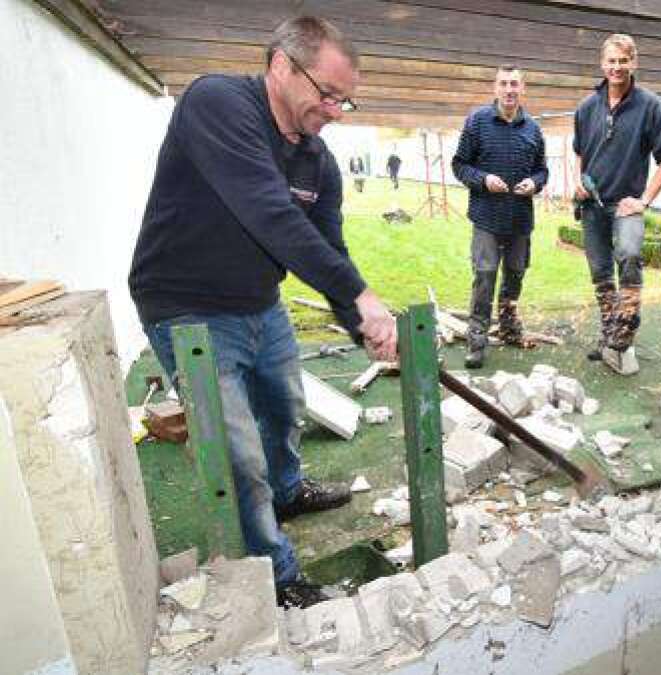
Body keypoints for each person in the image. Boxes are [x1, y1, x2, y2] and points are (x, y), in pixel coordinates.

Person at [128, 16, 398, 608]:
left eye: (343, 99)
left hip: (258, 301)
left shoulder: (319, 163)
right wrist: (360, 294)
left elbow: (326, 245)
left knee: (283, 411)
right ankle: (276, 577)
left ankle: (288, 492)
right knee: (237, 454)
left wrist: (363, 323)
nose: (334, 109)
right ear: (280, 65)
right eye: (326, 93)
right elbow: (270, 215)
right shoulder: (217, 104)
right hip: (185, 309)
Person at [573, 34, 661, 361]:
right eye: (611, 61)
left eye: (623, 61)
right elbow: (580, 151)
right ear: (602, 63)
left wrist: (644, 200)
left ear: (633, 63)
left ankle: (625, 330)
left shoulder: (650, 106)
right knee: (601, 273)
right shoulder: (586, 107)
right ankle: (609, 333)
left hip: (627, 207)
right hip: (592, 206)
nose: (617, 67)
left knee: (631, 259)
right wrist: (579, 182)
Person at [451, 65, 548, 369]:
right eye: (504, 83)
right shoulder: (477, 122)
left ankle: (508, 327)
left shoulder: (533, 128)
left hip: (520, 219)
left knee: (515, 274)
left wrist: (535, 183)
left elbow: (542, 170)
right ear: (495, 88)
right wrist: (483, 180)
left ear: (523, 89)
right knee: (485, 275)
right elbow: (460, 165)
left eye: (515, 84)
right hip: (486, 217)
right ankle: (477, 341)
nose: (509, 89)